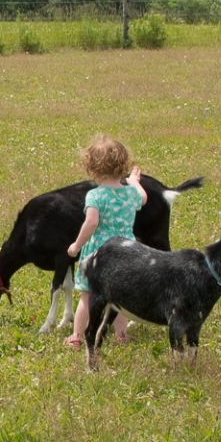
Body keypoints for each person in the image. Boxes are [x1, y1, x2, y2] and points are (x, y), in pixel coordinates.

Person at [64, 135, 147, 350]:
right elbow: (143, 198)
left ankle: (76, 337)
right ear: (123, 165)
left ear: (92, 167)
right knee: (119, 299)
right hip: (126, 252)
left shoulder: (95, 196)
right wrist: (134, 182)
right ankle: (121, 335)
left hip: (99, 253)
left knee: (86, 295)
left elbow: (91, 223)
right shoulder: (130, 194)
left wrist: (76, 245)